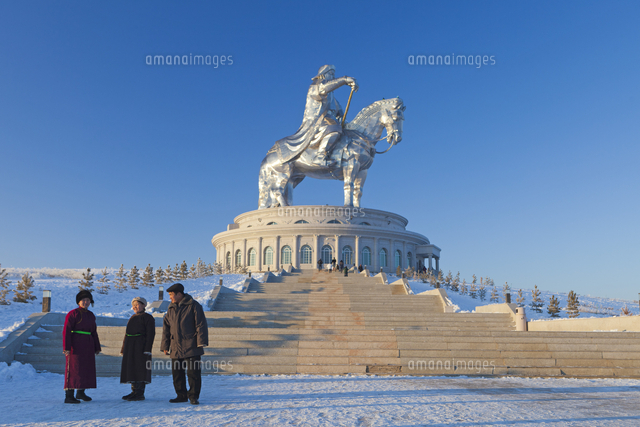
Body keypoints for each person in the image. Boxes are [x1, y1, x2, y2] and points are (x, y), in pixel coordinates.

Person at [273, 65, 358, 166]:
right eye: (331, 74)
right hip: (317, 121)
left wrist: (345, 121)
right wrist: (344, 79)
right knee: (334, 128)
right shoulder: (316, 85)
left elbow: (339, 111)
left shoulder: (332, 97)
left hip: (329, 119)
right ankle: (320, 157)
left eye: (334, 75)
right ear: (323, 74)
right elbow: (324, 88)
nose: (333, 77)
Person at [161, 283, 208, 405]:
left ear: (179, 294)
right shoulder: (170, 308)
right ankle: (181, 395)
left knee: (193, 373)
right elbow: (166, 328)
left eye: (171, 295)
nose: (170, 297)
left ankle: (193, 396)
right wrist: (165, 346)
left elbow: (201, 324)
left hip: (191, 345)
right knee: (177, 374)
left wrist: (201, 342)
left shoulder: (194, 305)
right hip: (175, 346)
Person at [63, 290, 101, 404]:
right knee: (74, 369)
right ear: (79, 302)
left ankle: (81, 392)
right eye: (83, 300)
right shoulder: (72, 314)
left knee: (85, 369)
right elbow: (66, 331)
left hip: (88, 345)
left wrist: (96, 346)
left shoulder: (90, 315)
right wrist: (67, 347)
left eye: (88, 300)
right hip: (76, 345)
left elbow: (94, 332)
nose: (86, 302)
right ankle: (69, 395)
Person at [120, 296, 155, 401]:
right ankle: (134, 391)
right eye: (133, 305)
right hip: (130, 346)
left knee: (140, 368)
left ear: (144, 305)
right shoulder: (132, 317)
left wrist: (147, 348)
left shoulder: (148, 318)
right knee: (131, 368)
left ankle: (139, 393)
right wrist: (123, 349)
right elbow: (127, 334)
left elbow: (150, 334)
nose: (135, 307)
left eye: (137, 304)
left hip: (141, 346)